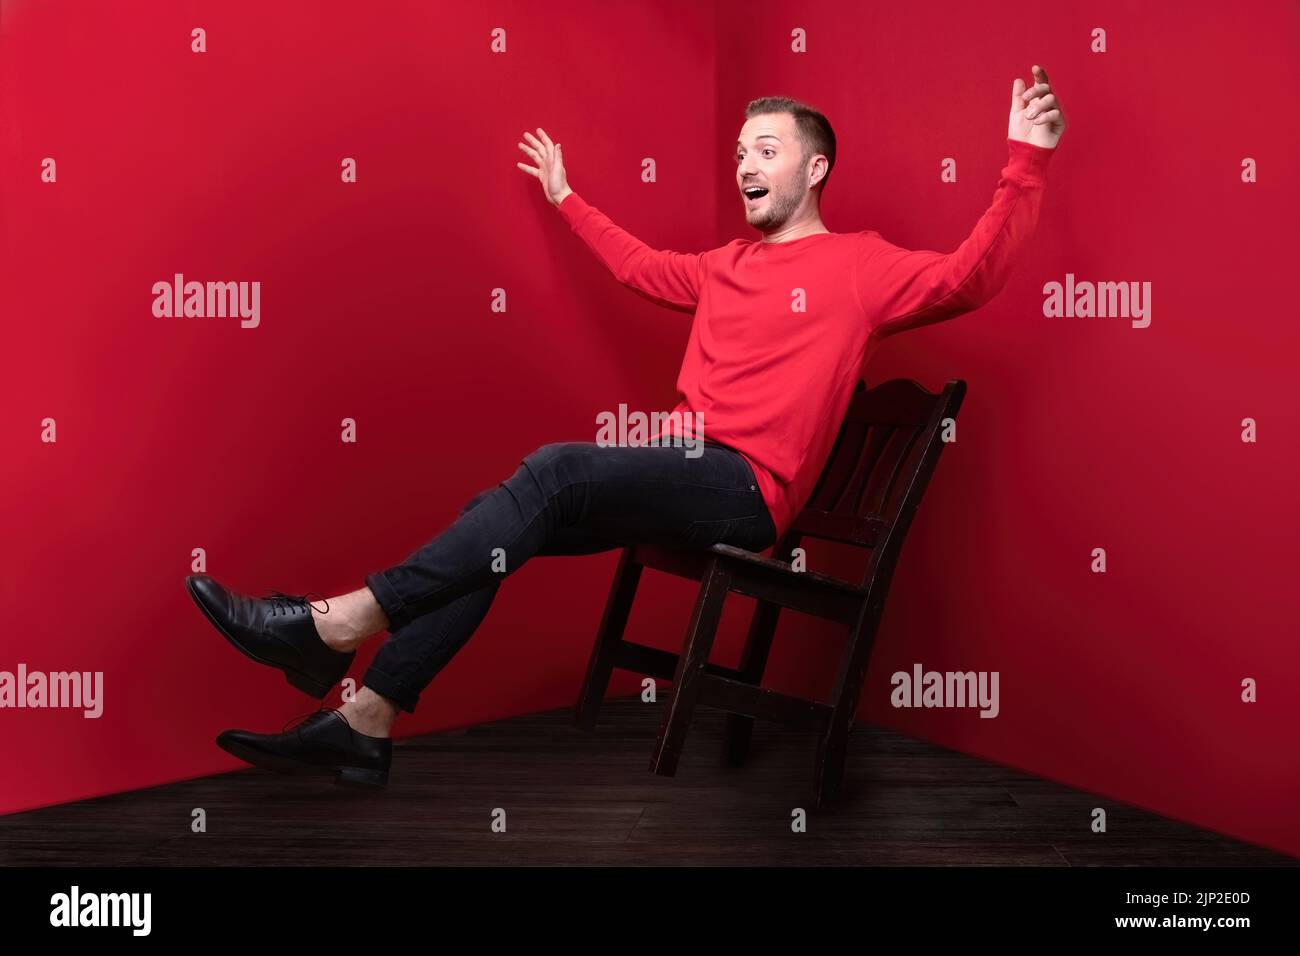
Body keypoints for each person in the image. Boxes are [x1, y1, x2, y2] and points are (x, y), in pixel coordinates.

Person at [188, 67, 1066, 788]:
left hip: (744, 493)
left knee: (557, 470)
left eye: (767, 149)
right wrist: (569, 198)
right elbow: (640, 266)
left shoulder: (860, 266)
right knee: (494, 523)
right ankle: (366, 722)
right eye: (739, 152)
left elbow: (967, 278)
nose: (746, 165)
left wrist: (1024, 161)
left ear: (816, 169)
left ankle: (331, 624)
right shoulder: (726, 267)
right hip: (683, 468)